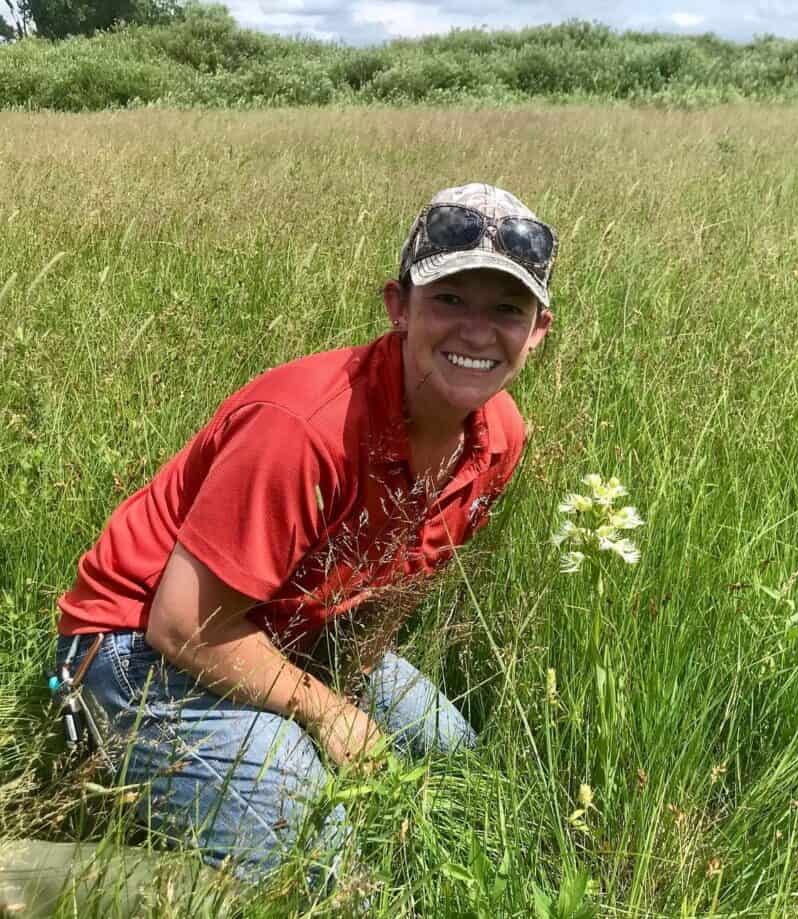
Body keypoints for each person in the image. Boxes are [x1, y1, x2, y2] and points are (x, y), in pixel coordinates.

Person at [53, 183, 557, 884]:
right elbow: (180, 623)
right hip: (135, 647)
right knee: (316, 858)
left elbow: (398, 588)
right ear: (399, 307)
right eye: (449, 300)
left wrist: (341, 687)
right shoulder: (303, 427)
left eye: (507, 309)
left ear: (537, 330)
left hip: (291, 626)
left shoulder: (499, 438)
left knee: (455, 767)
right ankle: (93, 874)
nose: (477, 332)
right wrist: (324, 712)